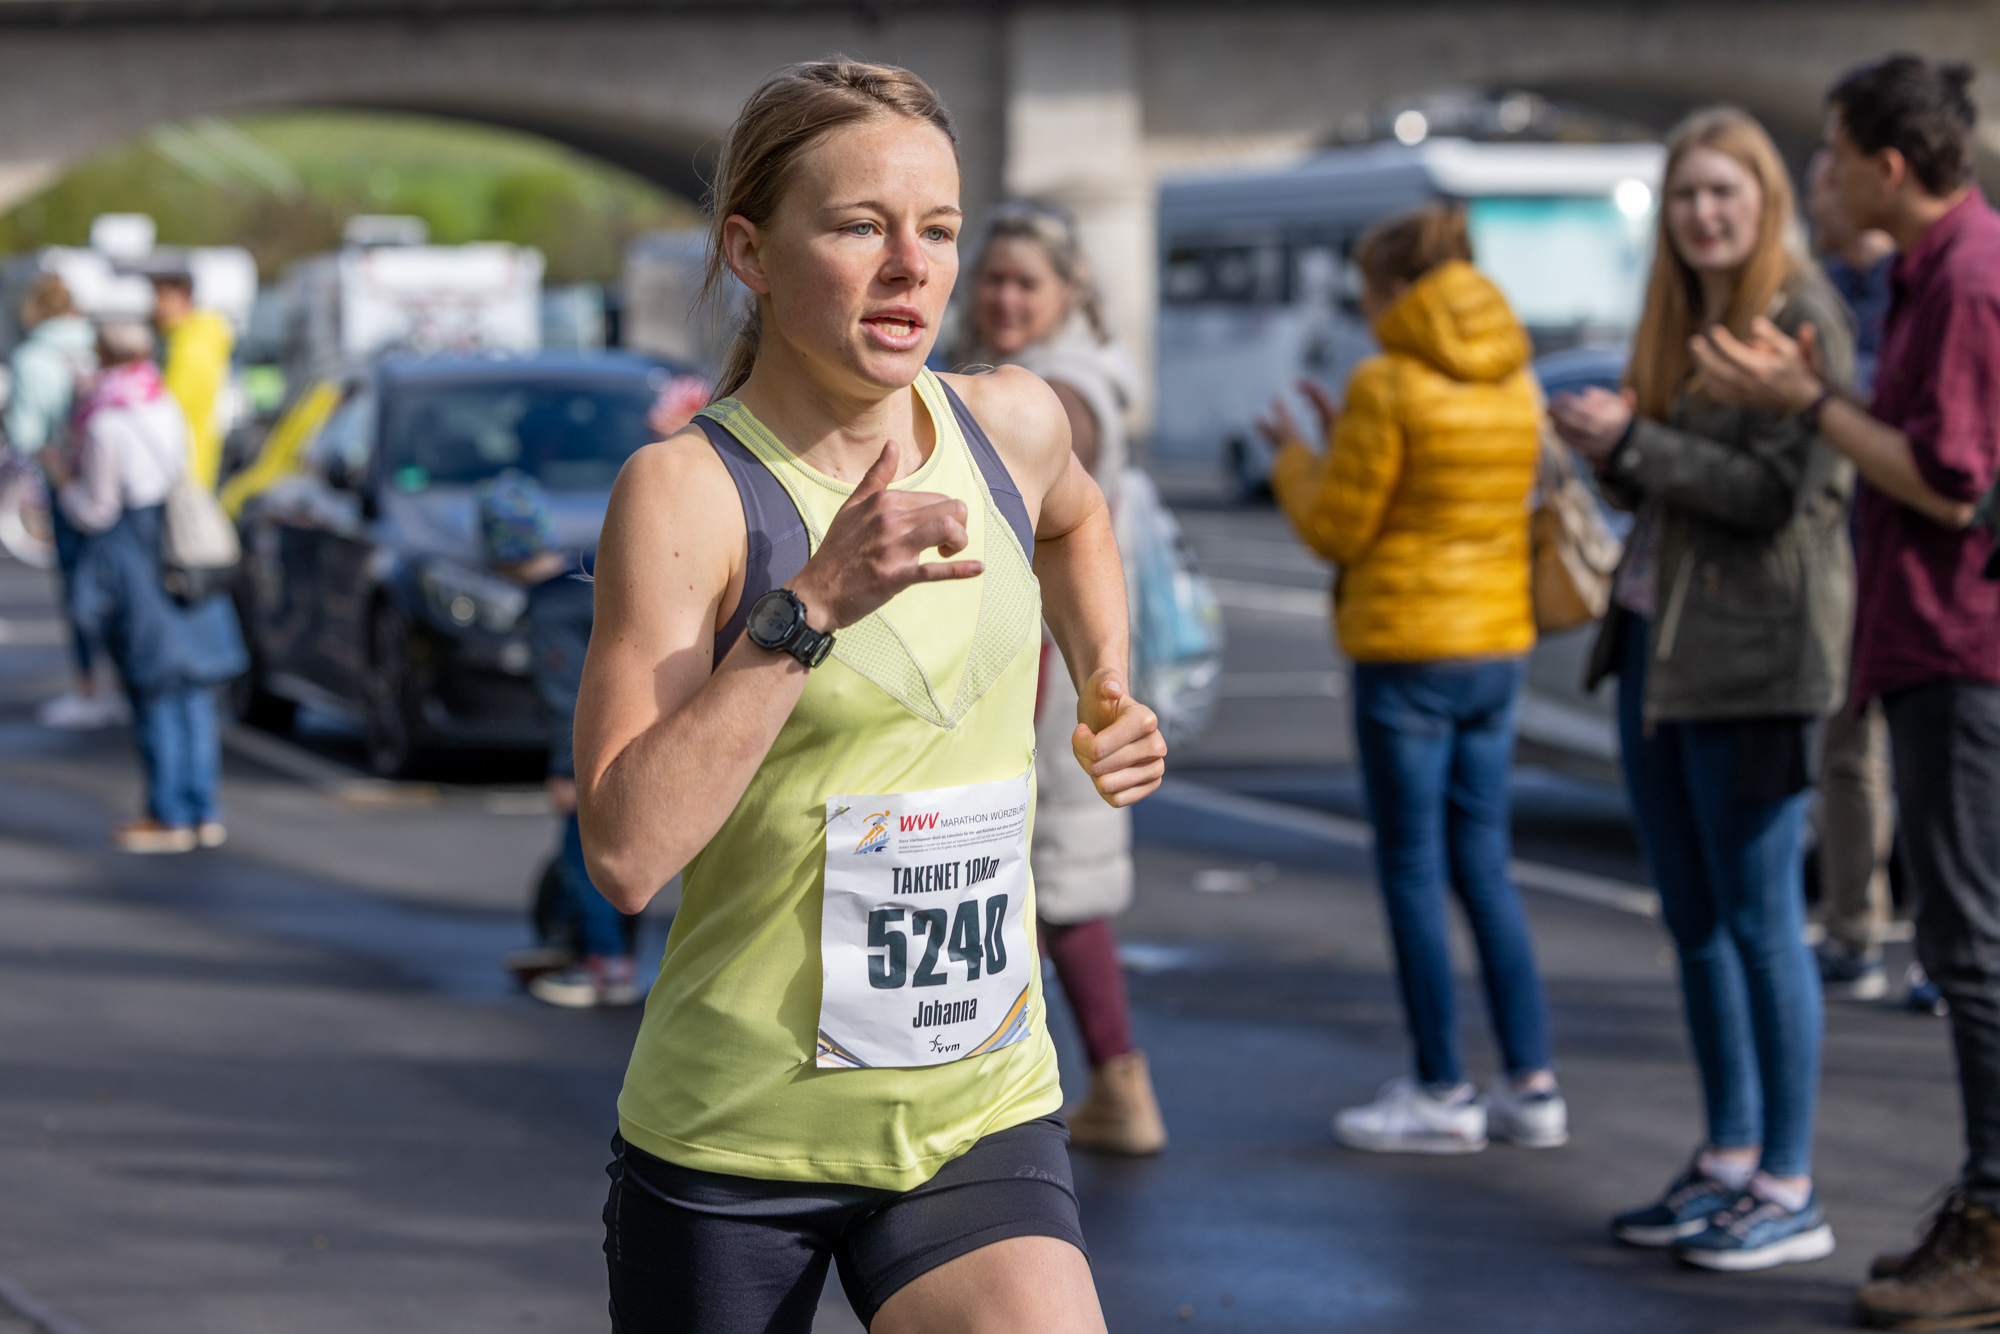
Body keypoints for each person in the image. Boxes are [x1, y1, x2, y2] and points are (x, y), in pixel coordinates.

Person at [573, 60, 1163, 1333]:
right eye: (857, 226)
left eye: (937, 230)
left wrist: (1107, 678)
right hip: (739, 1136)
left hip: (975, 1107)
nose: (911, 266)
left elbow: (1076, 521)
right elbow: (624, 852)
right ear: (752, 250)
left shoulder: (1012, 422)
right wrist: (810, 609)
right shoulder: (687, 494)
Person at [1686, 55, 2000, 1326]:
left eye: (1823, 154)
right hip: (1928, 647)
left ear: (1884, 164)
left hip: (1958, 649)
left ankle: (1988, 1225)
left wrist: (1804, 400)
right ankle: (1979, 1206)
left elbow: (1951, 480)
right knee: (1961, 937)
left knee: (1969, 945)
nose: (1810, 175)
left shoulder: (1966, 276)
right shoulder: (1933, 272)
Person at [1549, 106, 1855, 1272]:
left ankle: (1788, 1179)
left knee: (1761, 921)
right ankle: (1728, 1160)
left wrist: (1631, 444)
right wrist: (1615, 444)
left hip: (1755, 661)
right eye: (1684, 196)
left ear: (1764, 198)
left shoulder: (1798, 313)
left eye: (1723, 191)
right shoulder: (1681, 315)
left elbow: (1793, 494)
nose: (1703, 214)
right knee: (1691, 918)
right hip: (1654, 654)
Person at [1256, 203, 1565, 1156]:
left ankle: (1440, 1087)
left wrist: (1298, 461)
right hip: (1497, 646)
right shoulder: (1518, 381)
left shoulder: (1389, 382)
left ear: (1395, 287)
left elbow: (1341, 529)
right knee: (1486, 865)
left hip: (1406, 651)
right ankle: (1532, 1084)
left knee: (1412, 870)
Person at [960, 199, 1164, 1155]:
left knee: (1054, 884)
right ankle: (1079, 1082)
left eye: (1024, 283)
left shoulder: (1067, 387)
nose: (1004, 298)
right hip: (1039, 657)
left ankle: (1109, 1085)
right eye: (992, 278)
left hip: (1057, 669)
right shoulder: (1029, 373)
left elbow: (1061, 431)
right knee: (1035, 887)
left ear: (1068, 293)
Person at [42, 320, 246, 853]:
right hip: (181, 548)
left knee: (152, 683)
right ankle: (204, 808)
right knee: (192, 686)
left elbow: (98, 509)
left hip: (136, 556)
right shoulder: (163, 402)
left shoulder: (106, 421)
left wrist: (63, 483)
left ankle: (167, 813)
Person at [478, 472, 641, 1009]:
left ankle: (603, 964)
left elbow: (566, 697)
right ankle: (597, 948)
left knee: (583, 855)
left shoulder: (548, 610)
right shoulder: (584, 579)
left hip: (594, 752)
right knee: (618, 855)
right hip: (640, 734)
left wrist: (563, 769)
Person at [1804, 148, 1900, 1005]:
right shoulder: (1816, 294)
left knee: (1956, 764)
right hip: (1845, 559)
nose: (1816, 200)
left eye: (1827, 181)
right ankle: (1854, 932)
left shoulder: (1937, 285)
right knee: (1848, 755)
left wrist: (1820, 402)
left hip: (1929, 564)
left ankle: (1952, 948)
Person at [7, 274, 117, 729]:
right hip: (109, 476)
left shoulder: (30, 357)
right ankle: (123, 685)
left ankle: (88, 688)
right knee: (117, 585)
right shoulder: (97, 343)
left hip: (64, 477)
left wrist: (50, 479)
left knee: (77, 587)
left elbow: (25, 434)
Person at [150, 270, 234, 493]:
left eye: (163, 297)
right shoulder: (199, 338)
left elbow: (170, 413)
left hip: (181, 469)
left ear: (184, 297)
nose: (156, 306)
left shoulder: (188, 348)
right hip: (195, 466)